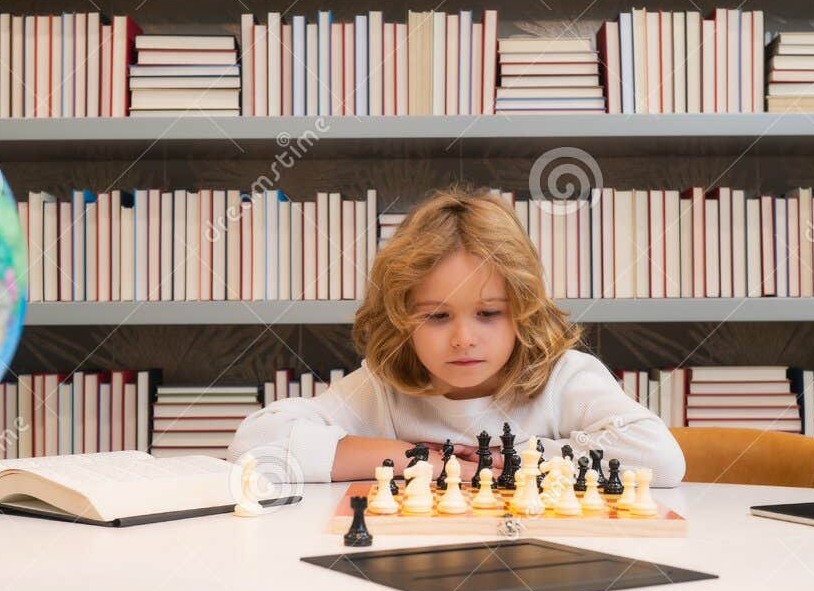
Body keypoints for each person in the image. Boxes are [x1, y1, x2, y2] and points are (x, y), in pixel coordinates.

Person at [227, 186, 686, 486]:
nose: (464, 338)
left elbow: (660, 457)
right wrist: (417, 458)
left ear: (523, 311)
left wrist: (514, 458)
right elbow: (255, 445)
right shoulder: (384, 388)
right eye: (437, 317)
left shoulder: (563, 378)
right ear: (401, 318)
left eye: (488, 313)